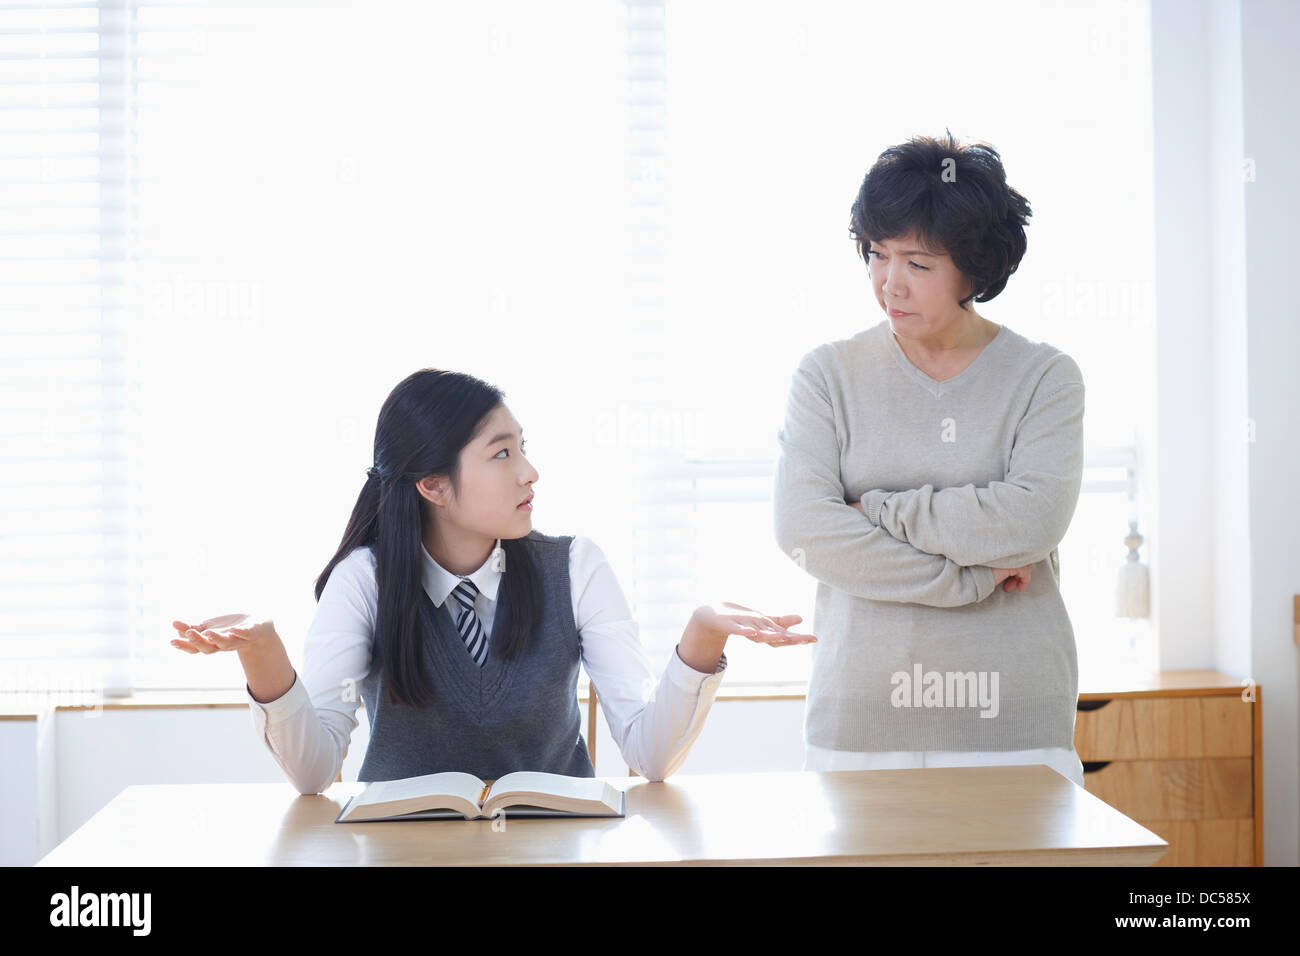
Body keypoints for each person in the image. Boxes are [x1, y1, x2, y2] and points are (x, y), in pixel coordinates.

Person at [172, 369, 814, 794]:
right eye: (502, 454)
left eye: (523, 448)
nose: (530, 472)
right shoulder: (364, 581)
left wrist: (701, 640)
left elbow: (649, 756)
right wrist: (262, 653)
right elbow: (315, 774)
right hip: (404, 859)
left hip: (556, 852)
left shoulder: (577, 567)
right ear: (433, 485)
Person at [773, 129, 1087, 787]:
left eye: (917, 264)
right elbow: (806, 532)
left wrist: (880, 510)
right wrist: (974, 578)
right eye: (877, 255)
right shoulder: (828, 375)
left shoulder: (1043, 377)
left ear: (975, 268)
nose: (890, 283)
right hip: (860, 719)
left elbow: (1033, 522)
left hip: (1013, 718)